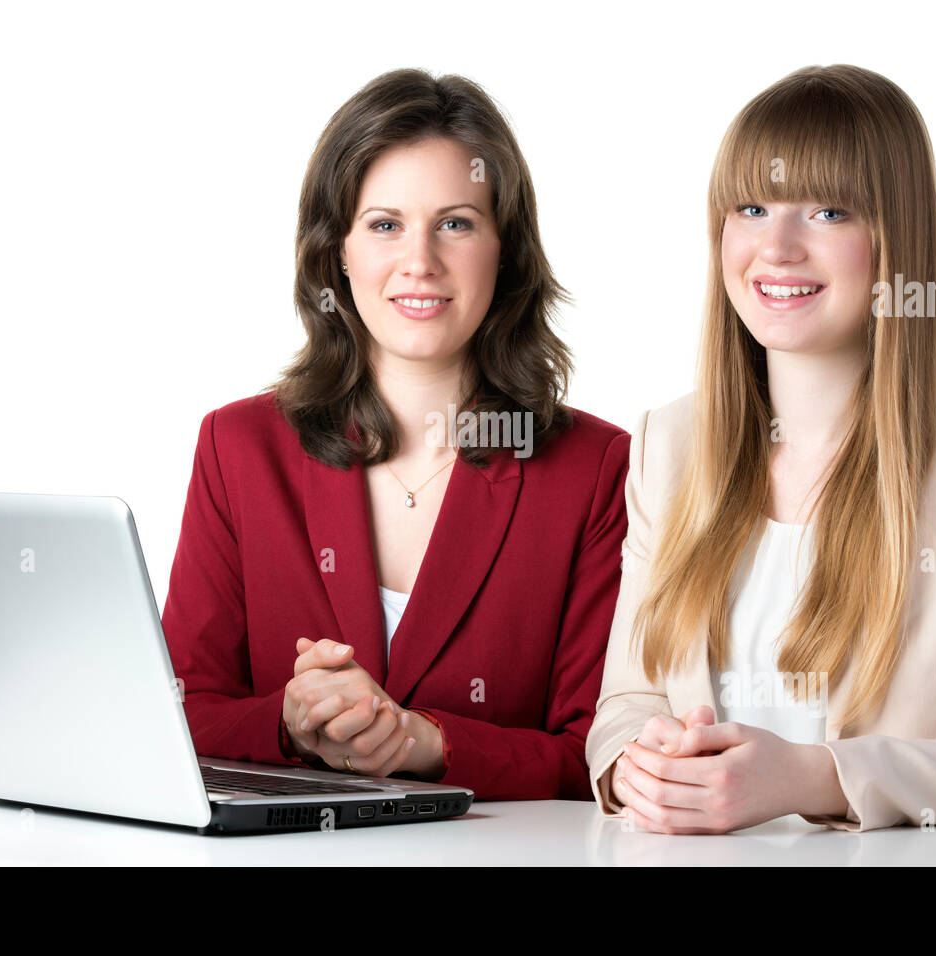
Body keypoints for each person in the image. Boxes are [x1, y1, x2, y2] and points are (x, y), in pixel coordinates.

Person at [586, 64, 936, 832]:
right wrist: (642, 768)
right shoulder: (670, 442)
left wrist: (813, 778)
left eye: (828, 212)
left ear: (895, 238)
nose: (778, 247)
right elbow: (630, 701)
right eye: (752, 207)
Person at [161, 68, 629, 801]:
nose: (420, 262)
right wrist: (285, 723)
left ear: (505, 250)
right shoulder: (238, 448)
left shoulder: (594, 469)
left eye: (456, 223)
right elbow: (179, 711)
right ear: (338, 251)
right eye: (384, 225)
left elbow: (596, 752)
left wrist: (428, 743)